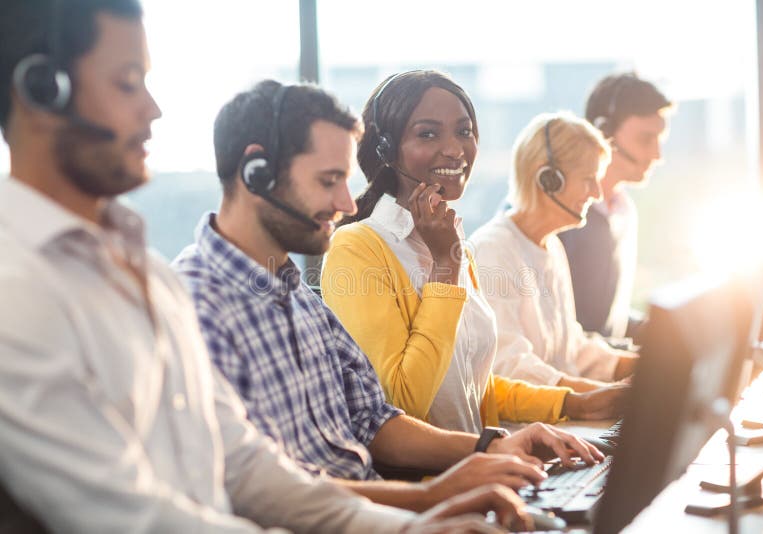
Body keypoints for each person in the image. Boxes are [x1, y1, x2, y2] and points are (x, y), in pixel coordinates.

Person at [0, 1, 535, 531]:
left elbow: (245, 463)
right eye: (127, 82)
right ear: (44, 89)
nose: (154, 109)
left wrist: (412, 522)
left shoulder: (147, 274)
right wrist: (414, 512)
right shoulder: (20, 286)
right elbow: (130, 515)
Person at [173, 78, 606, 515]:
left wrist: (491, 444)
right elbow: (261, 490)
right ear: (256, 173)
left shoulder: (298, 298)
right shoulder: (194, 307)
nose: (346, 202)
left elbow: (376, 418)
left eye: (463, 131)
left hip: (390, 508)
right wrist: (430, 498)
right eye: (329, 180)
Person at [322, 70, 627, 432]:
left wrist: (577, 403)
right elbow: (401, 404)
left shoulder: (452, 244)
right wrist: (445, 270)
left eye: (464, 131)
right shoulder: (358, 248)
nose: (454, 149)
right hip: (437, 479)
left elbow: (470, 385)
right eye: (428, 133)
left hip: (484, 463)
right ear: (385, 149)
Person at [470, 113, 638, 392]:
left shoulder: (551, 246)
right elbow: (509, 367)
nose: (597, 193)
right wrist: (599, 395)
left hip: (564, 416)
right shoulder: (493, 250)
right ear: (548, 178)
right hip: (523, 428)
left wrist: (642, 367)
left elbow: (571, 348)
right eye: (588, 180)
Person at [559, 73, 673, 341]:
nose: (657, 155)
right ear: (603, 134)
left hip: (607, 368)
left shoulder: (623, 211)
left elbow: (604, 318)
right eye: (646, 139)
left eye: (660, 139)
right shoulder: (558, 215)